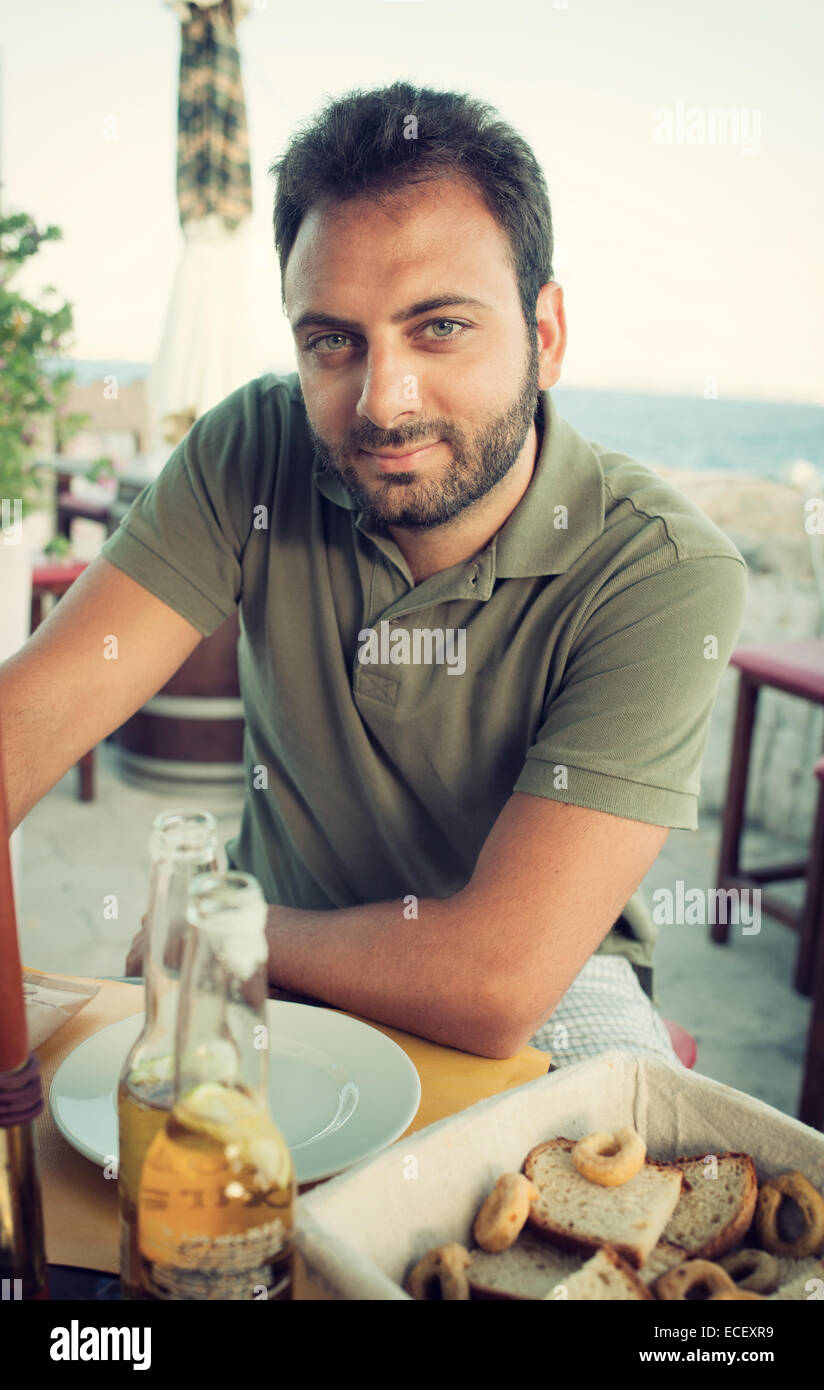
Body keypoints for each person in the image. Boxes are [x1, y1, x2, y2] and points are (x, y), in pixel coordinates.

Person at [0, 82, 746, 1067]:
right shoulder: (255, 447)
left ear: (546, 334)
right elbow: (23, 727)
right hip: (274, 938)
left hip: (546, 974)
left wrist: (222, 926)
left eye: (440, 327)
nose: (383, 402)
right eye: (332, 341)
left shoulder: (660, 568)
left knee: (629, 1148)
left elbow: (499, 982)